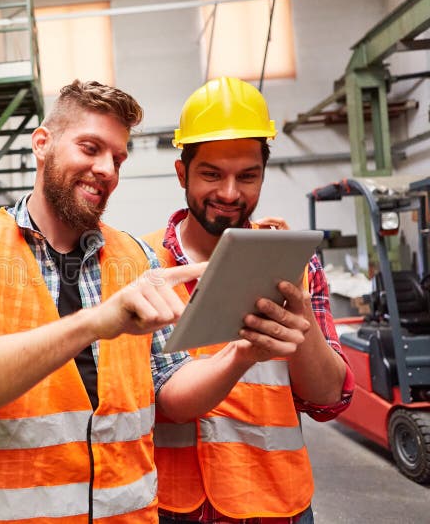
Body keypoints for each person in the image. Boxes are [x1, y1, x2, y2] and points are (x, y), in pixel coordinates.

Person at [0, 79, 316, 523]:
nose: (106, 168)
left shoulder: (135, 259)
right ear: (42, 144)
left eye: (118, 158)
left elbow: (174, 393)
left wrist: (244, 352)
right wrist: (93, 323)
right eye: (90, 148)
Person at [143, 77, 355, 524]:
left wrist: (297, 316)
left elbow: (328, 399)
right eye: (211, 174)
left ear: (264, 171)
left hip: (275, 503)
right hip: (173, 506)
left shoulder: (293, 260)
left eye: (248, 176)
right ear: (182, 173)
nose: (230, 193)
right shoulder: (143, 263)